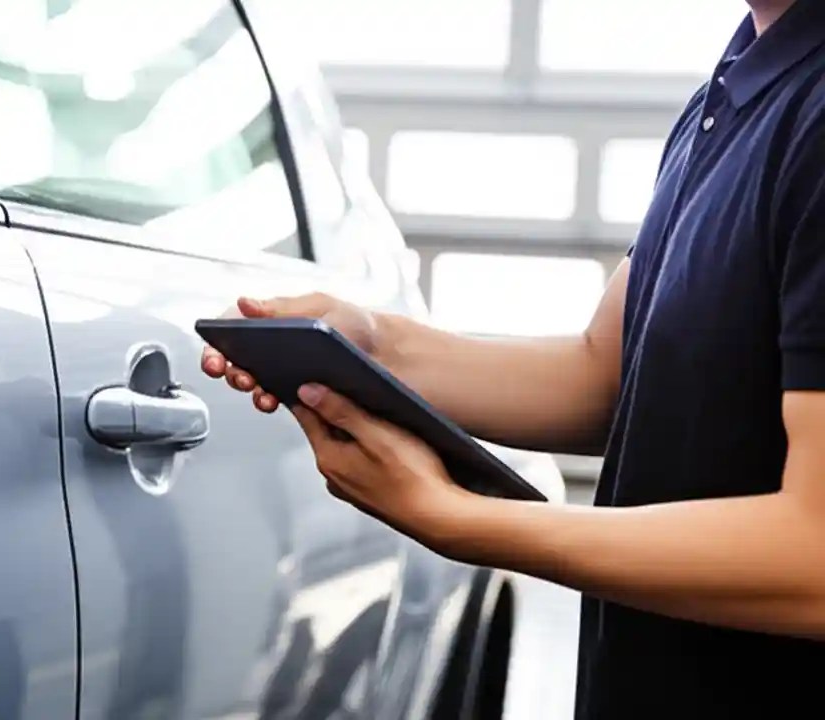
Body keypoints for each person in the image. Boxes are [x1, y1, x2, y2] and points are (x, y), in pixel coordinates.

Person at [202, 1, 825, 717]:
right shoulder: (739, 85)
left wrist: (460, 520)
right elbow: (607, 374)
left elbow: (815, 554)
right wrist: (374, 345)